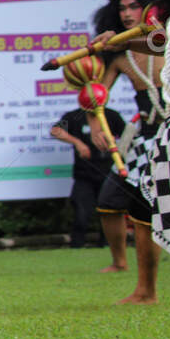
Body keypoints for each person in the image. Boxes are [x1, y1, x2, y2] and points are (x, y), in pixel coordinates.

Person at [103, 0, 170, 303]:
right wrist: (117, 44)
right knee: (145, 202)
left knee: (149, 199)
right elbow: (160, 45)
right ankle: (146, 290)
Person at [86, 0, 164, 273]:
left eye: (134, 6)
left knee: (159, 202)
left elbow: (161, 42)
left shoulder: (169, 37)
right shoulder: (120, 55)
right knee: (112, 199)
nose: (128, 13)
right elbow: (95, 96)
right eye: (122, 8)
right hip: (145, 135)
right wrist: (95, 123)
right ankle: (120, 262)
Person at [50, 105, 124, 250]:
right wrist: (77, 143)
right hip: (84, 175)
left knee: (109, 212)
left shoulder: (111, 115)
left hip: (108, 174)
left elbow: (127, 136)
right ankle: (76, 247)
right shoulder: (74, 116)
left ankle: (107, 246)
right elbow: (55, 131)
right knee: (81, 214)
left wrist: (113, 144)